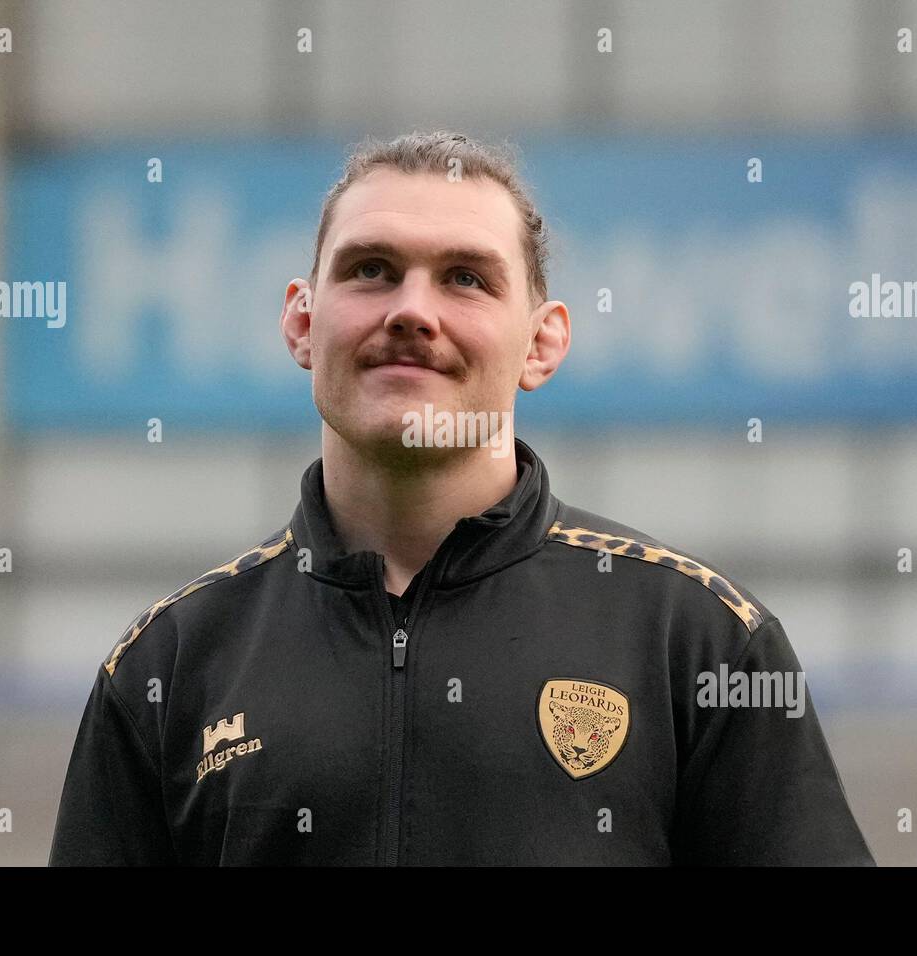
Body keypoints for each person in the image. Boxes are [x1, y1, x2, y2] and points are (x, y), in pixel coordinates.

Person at [49, 129, 875, 866]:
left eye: (466, 279)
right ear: (302, 323)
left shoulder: (696, 641)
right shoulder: (168, 664)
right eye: (371, 270)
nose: (412, 311)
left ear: (541, 342)